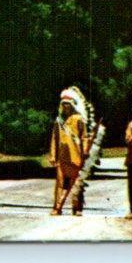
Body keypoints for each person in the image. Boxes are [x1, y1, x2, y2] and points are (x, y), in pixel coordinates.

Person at [49, 87, 90, 216]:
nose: (66, 106)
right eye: (64, 104)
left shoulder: (79, 119)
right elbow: (55, 139)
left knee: (77, 184)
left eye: (68, 104)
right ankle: (57, 208)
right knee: (60, 184)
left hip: (76, 155)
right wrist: (53, 155)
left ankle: (77, 208)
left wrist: (85, 151)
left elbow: (84, 137)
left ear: (72, 105)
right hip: (62, 157)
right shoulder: (58, 121)